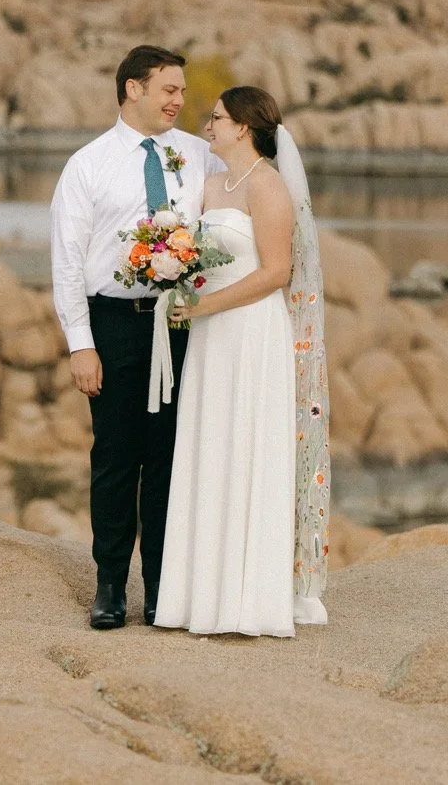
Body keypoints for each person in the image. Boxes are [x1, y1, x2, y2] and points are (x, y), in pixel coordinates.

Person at [152, 85, 331, 636]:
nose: (209, 126)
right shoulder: (208, 185)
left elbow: (276, 273)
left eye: (218, 118)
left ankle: (248, 599)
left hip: (251, 332)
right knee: (209, 445)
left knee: (247, 446)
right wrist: (166, 271)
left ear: (243, 128)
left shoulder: (268, 186)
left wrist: (205, 305)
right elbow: (192, 254)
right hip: (210, 337)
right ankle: (197, 596)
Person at [48, 44, 213, 629]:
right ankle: (111, 585)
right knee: (116, 458)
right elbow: (66, 261)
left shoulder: (198, 155)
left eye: (182, 92)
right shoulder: (87, 164)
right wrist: (80, 342)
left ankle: (164, 587)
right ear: (133, 89)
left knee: (171, 459)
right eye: (169, 89)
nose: (179, 100)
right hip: (113, 324)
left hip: (182, 323)